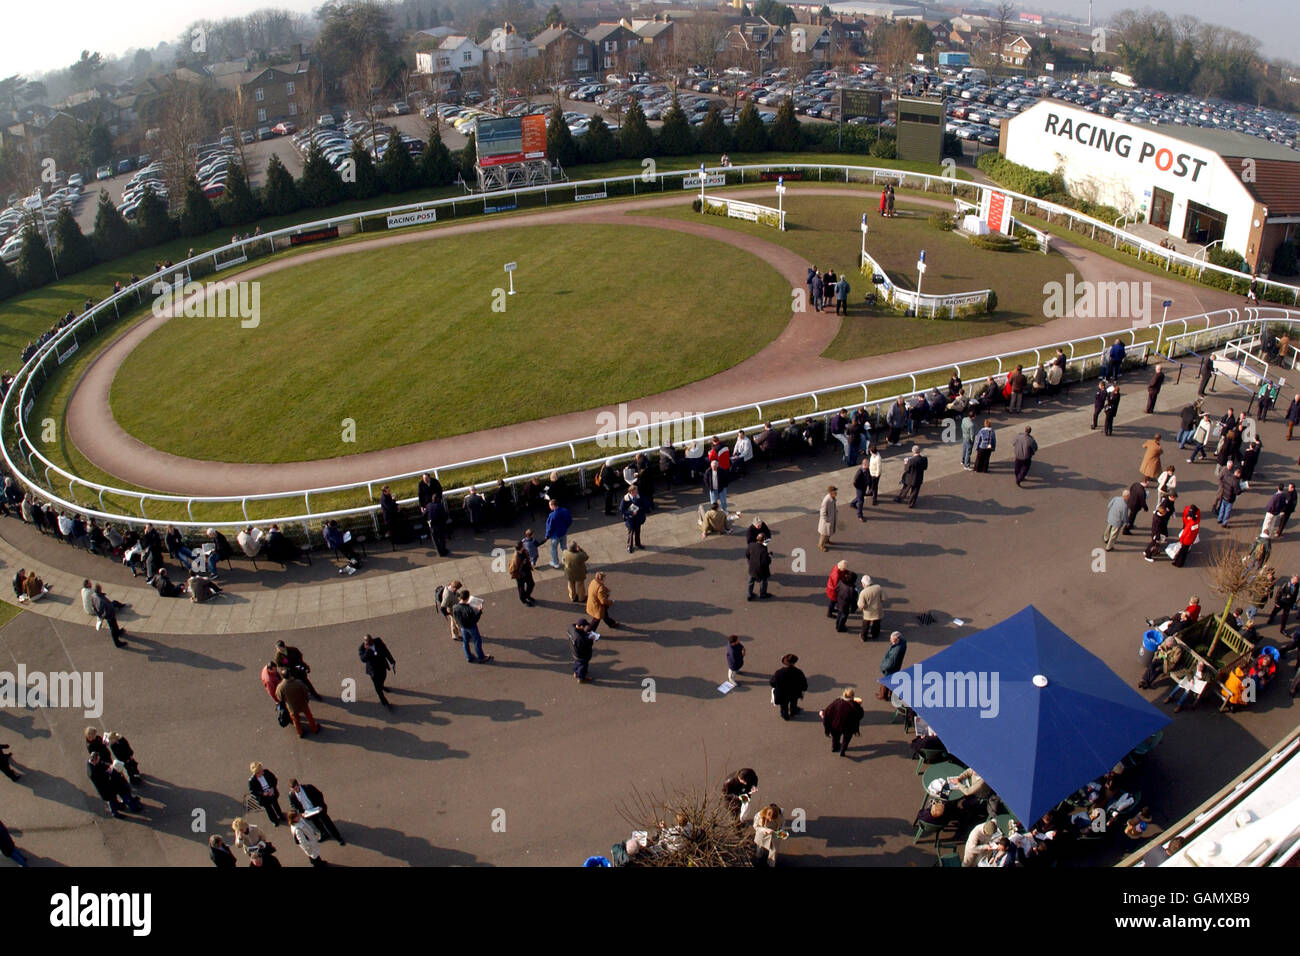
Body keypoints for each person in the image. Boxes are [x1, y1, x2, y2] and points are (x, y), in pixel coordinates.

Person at [288, 780, 345, 844]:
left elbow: (319, 795)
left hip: (317, 809)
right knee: (317, 824)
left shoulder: (308, 787)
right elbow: (293, 805)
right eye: (293, 789)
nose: (295, 790)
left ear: (298, 785)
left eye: (296, 788)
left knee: (328, 823)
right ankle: (324, 834)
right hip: (308, 813)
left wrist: (320, 806)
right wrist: (301, 813)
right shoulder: (291, 795)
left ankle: (338, 837)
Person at [275, 670, 320, 738]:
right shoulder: (298, 682)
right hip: (302, 703)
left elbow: (279, 697)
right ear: (290, 674)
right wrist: (306, 699)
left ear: (282, 676)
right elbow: (305, 691)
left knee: (296, 720)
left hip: (291, 706)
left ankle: (300, 733)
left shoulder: (280, 687)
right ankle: (314, 728)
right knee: (309, 716)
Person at [821, 688, 865, 757]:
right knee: (846, 738)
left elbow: (827, 711)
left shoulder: (837, 702)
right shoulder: (854, 705)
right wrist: (859, 706)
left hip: (836, 724)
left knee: (835, 737)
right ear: (852, 696)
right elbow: (860, 714)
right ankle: (843, 749)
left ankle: (834, 747)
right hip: (849, 726)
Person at [358, 632, 399, 705]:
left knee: (383, 677)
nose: (370, 643)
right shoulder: (362, 648)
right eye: (368, 642)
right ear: (365, 642)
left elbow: (386, 651)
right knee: (377, 685)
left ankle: (382, 686)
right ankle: (382, 699)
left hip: (382, 666)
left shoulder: (378, 641)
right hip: (373, 671)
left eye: (371, 641)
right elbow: (363, 659)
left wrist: (392, 661)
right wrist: (368, 650)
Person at [770, 654, 808, 720]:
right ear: (794, 662)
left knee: (784, 705)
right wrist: (803, 689)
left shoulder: (779, 672)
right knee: (794, 702)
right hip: (794, 693)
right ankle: (793, 711)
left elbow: (772, 683)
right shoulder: (798, 672)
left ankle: (785, 715)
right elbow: (804, 684)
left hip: (782, 693)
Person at [248, 761, 285, 826]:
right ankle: (274, 820)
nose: (263, 771)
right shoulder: (252, 781)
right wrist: (262, 793)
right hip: (263, 798)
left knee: (276, 805)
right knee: (269, 810)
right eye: (261, 771)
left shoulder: (266, 772)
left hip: (272, 794)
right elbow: (253, 791)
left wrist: (272, 788)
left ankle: (281, 815)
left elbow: (274, 780)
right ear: (257, 773)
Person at [91, 583, 127, 647]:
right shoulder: (102, 600)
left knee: (114, 625)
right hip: (109, 615)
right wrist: (108, 614)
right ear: (100, 589)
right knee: (113, 628)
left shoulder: (93, 596)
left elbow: (93, 606)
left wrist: (99, 614)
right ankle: (117, 642)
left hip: (107, 614)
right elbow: (106, 608)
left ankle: (118, 632)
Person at [543, 498, 572, 569]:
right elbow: (570, 520)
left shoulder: (552, 515)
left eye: (550, 505)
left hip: (555, 536)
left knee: (553, 549)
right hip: (563, 533)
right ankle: (565, 560)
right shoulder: (565, 511)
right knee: (564, 547)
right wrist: (565, 527)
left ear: (553, 506)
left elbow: (549, 527)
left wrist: (547, 536)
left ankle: (555, 563)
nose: (549, 507)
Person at [880, 631, 907, 699]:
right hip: (896, 667)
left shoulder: (896, 650)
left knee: (886, 681)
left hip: (890, 669)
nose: (890, 641)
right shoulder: (902, 643)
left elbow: (890, 663)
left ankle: (883, 695)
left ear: (897, 639)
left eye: (892, 640)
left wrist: (883, 668)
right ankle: (890, 694)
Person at [508, 542, 536, 606]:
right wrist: (518, 574)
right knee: (521, 588)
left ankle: (527, 596)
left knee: (531, 584)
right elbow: (512, 569)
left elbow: (527, 557)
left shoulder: (524, 551)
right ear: (521, 547)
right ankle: (523, 600)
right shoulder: (516, 558)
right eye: (523, 545)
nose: (524, 545)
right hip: (520, 575)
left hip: (527, 571)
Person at [568, 618, 596, 683]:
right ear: (581, 626)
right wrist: (591, 639)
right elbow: (585, 646)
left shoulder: (571, 627)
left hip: (574, 651)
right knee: (583, 666)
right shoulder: (579, 638)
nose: (585, 628)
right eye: (584, 626)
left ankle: (576, 672)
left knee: (577, 663)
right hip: (581, 655)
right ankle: (581, 678)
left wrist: (585, 634)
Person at [621, 484, 646, 554]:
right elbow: (622, 510)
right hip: (630, 519)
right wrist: (631, 513)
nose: (637, 492)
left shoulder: (639, 497)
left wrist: (641, 513)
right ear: (631, 492)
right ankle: (629, 546)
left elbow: (643, 505)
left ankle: (638, 544)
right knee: (631, 533)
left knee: (638, 531)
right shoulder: (625, 499)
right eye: (636, 491)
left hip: (638, 518)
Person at [746, 532, 772, 601]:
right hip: (761, 569)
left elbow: (747, 554)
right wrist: (769, 557)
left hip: (752, 567)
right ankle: (762, 594)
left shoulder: (751, 545)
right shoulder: (763, 550)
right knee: (763, 581)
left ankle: (749, 594)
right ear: (763, 540)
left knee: (751, 581)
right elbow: (766, 562)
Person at [858, 574, 883, 642]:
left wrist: (862, 608)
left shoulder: (863, 593)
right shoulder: (878, 587)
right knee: (876, 624)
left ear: (863, 583)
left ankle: (863, 637)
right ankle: (875, 635)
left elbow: (861, 605)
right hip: (878, 610)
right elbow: (884, 598)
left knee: (865, 625)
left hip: (868, 613)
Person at [817, 485, 837, 552]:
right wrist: (827, 520)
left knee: (828, 532)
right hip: (826, 521)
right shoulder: (826, 500)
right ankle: (821, 545)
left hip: (831, 518)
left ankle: (827, 541)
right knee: (824, 534)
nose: (836, 493)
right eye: (835, 492)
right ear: (831, 493)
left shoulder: (832, 498)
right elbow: (822, 512)